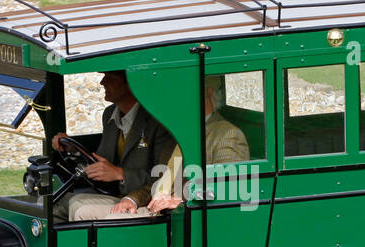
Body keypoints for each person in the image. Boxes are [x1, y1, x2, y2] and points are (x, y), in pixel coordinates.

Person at [77, 76, 249, 220]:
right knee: (79, 208)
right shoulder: (181, 131)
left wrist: (179, 201)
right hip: (154, 208)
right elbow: (159, 180)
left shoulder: (226, 134)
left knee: (89, 215)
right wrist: (132, 199)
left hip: (180, 217)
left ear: (208, 94)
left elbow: (228, 190)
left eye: (183, 92)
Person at [51, 70, 174, 220]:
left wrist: (120, 174)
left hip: (144, 200)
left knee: (81, 211)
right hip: (115, 194)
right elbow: (102, 163)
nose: (102, 82)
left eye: (110, 78)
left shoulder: (157, 121)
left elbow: (163, 177)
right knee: (51, 203)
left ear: (131, 83)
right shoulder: (109, 114)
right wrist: (74, 151)